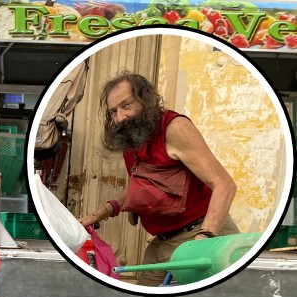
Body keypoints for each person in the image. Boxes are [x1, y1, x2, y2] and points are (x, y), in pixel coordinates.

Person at [78, 72, 238, 286]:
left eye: (127, 105)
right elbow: (142, 184)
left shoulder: (175, 128)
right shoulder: (134, 137)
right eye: (113, 111)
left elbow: (224, 185)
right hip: (164, 240)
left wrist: (204, 239)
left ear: (146, 100)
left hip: (199, 235)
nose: (120, 117)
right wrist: (100, 213)